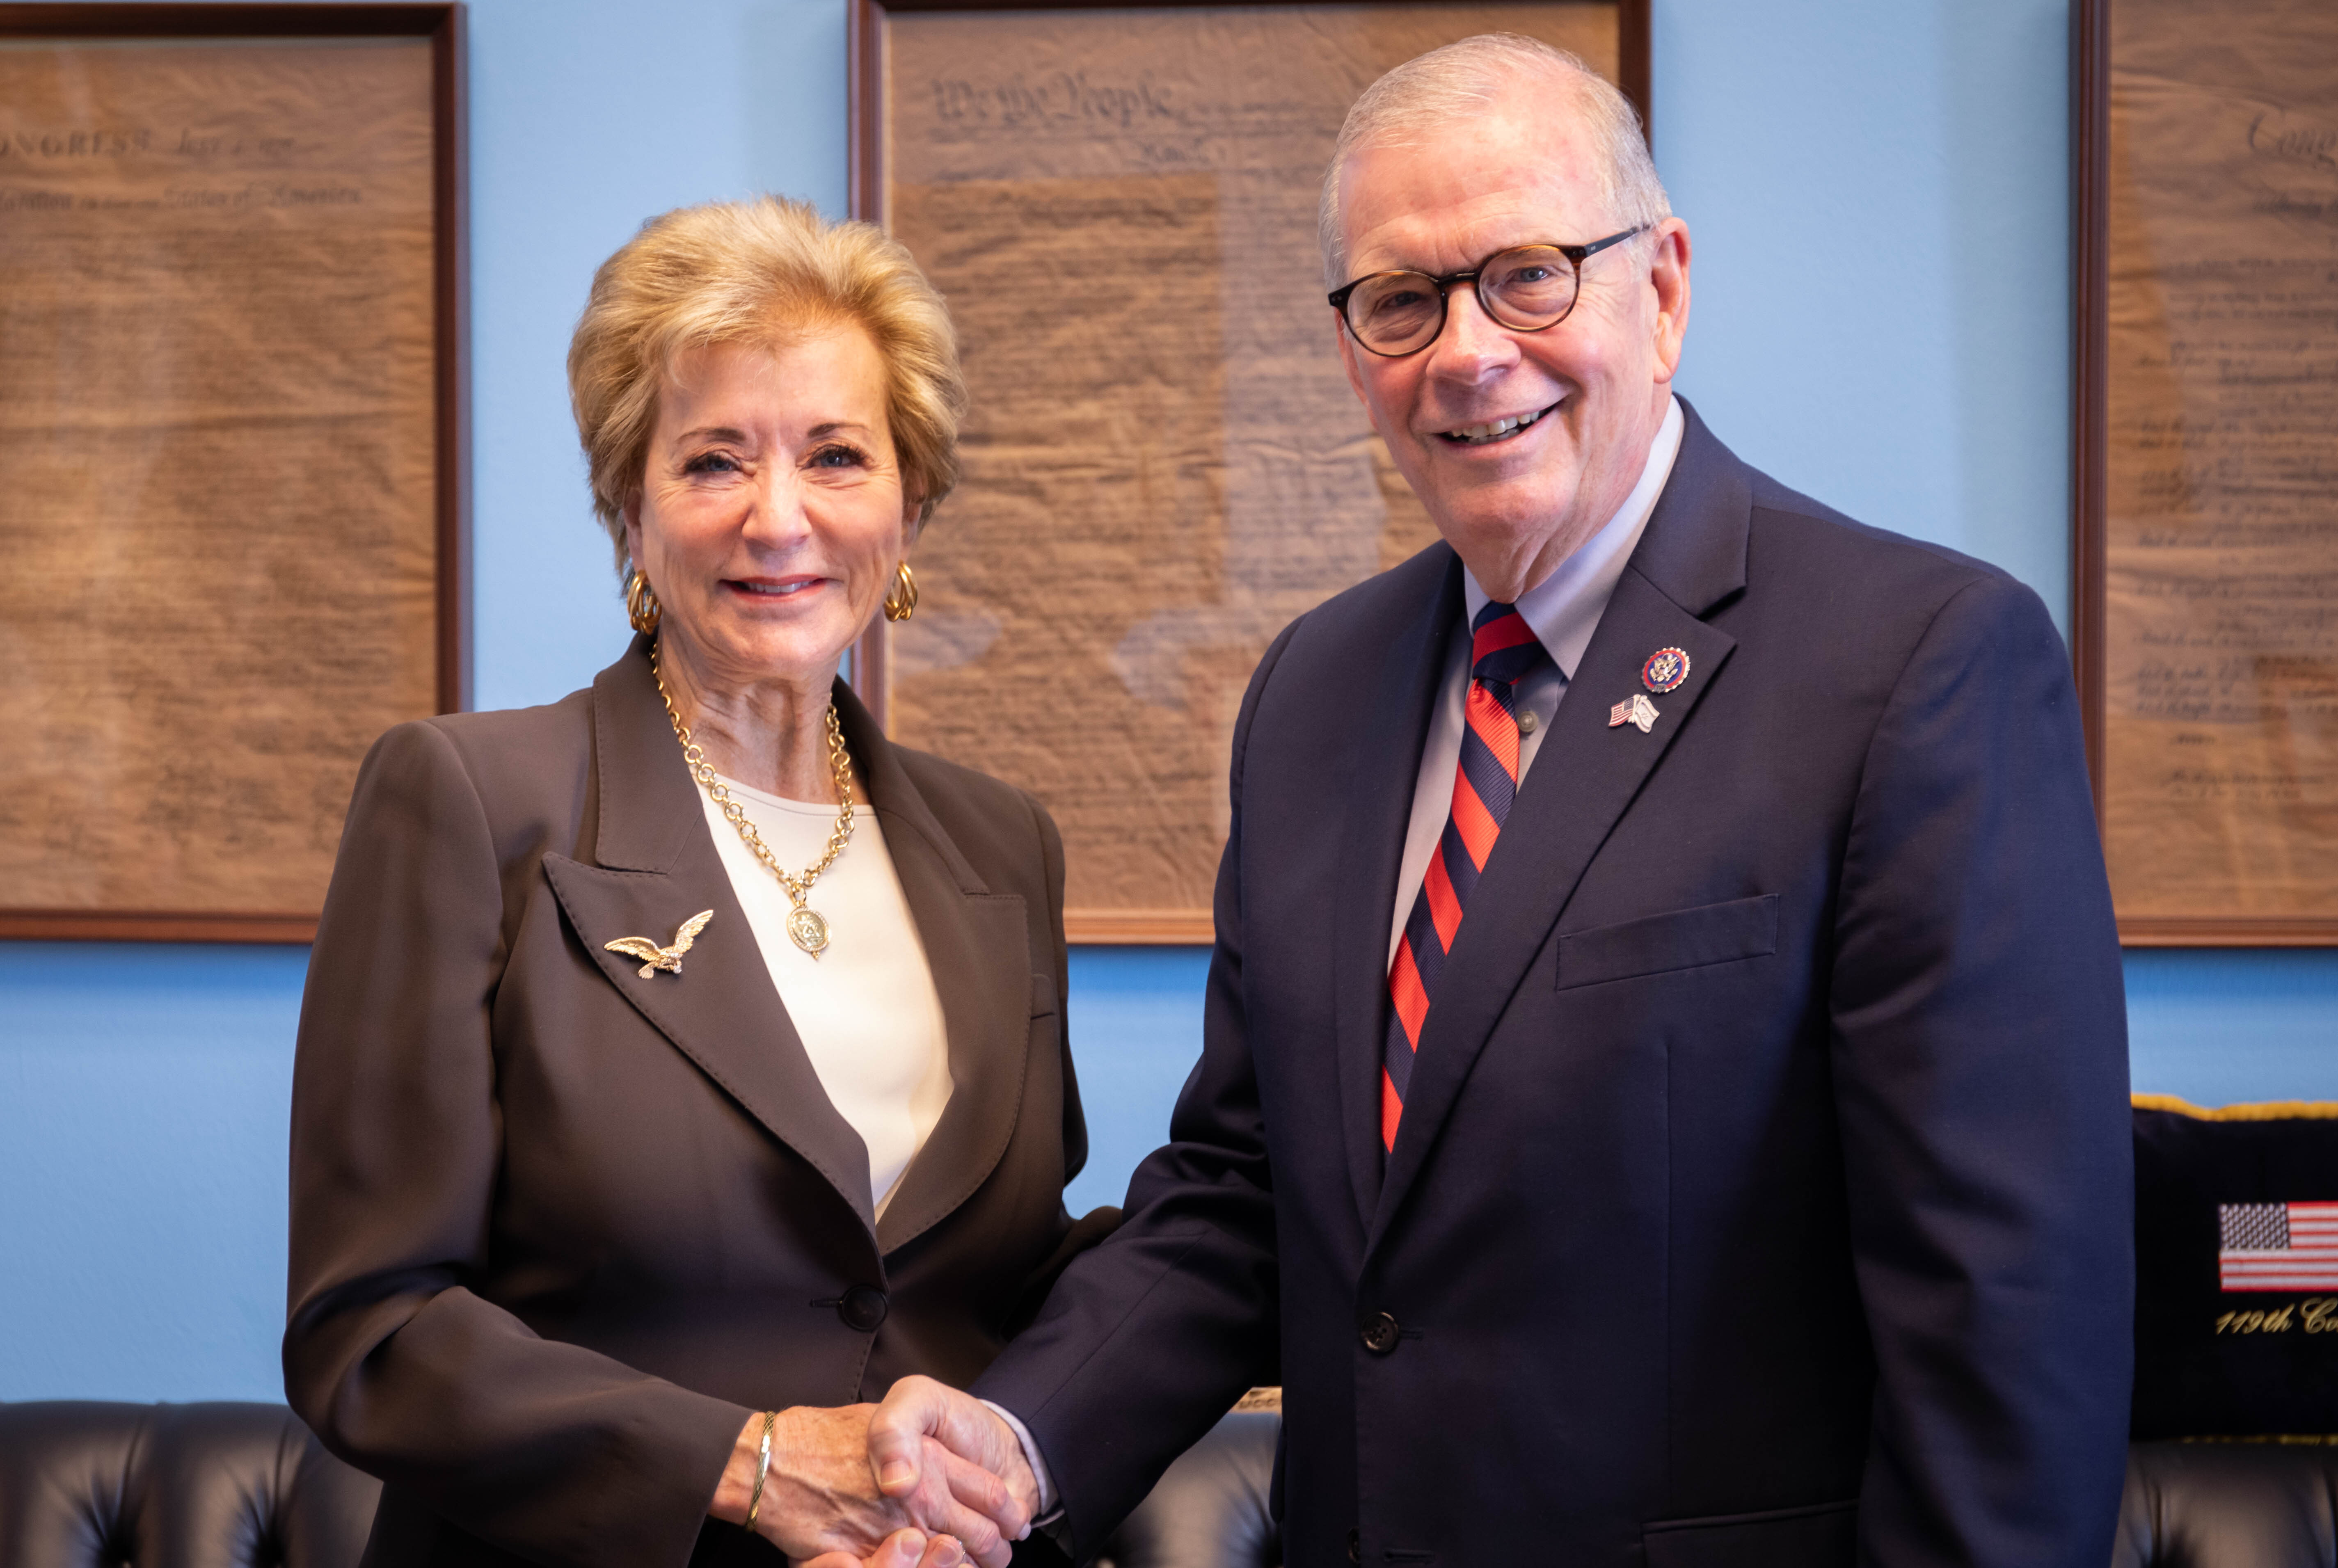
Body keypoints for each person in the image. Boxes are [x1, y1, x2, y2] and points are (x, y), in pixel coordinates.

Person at [856, 34, 2135, 1568]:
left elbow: (2004, 1317)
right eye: (1401, 299)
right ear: (1350, 353)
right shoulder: (1312, 694)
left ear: (1660, 289)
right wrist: (1014, 1443)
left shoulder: (1918, 664)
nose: (1466, 351)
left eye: (1529, 272)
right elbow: (1246, 1194)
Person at [284, 197, 1100, 1568]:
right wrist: (757, 1467)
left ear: (909, 502)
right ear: (630, 504)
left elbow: (1010, 1280)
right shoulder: (472, 802)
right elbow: (370, 1330)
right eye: (713, 460)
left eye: (836, 456)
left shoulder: (1001, 843)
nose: (777, 518)